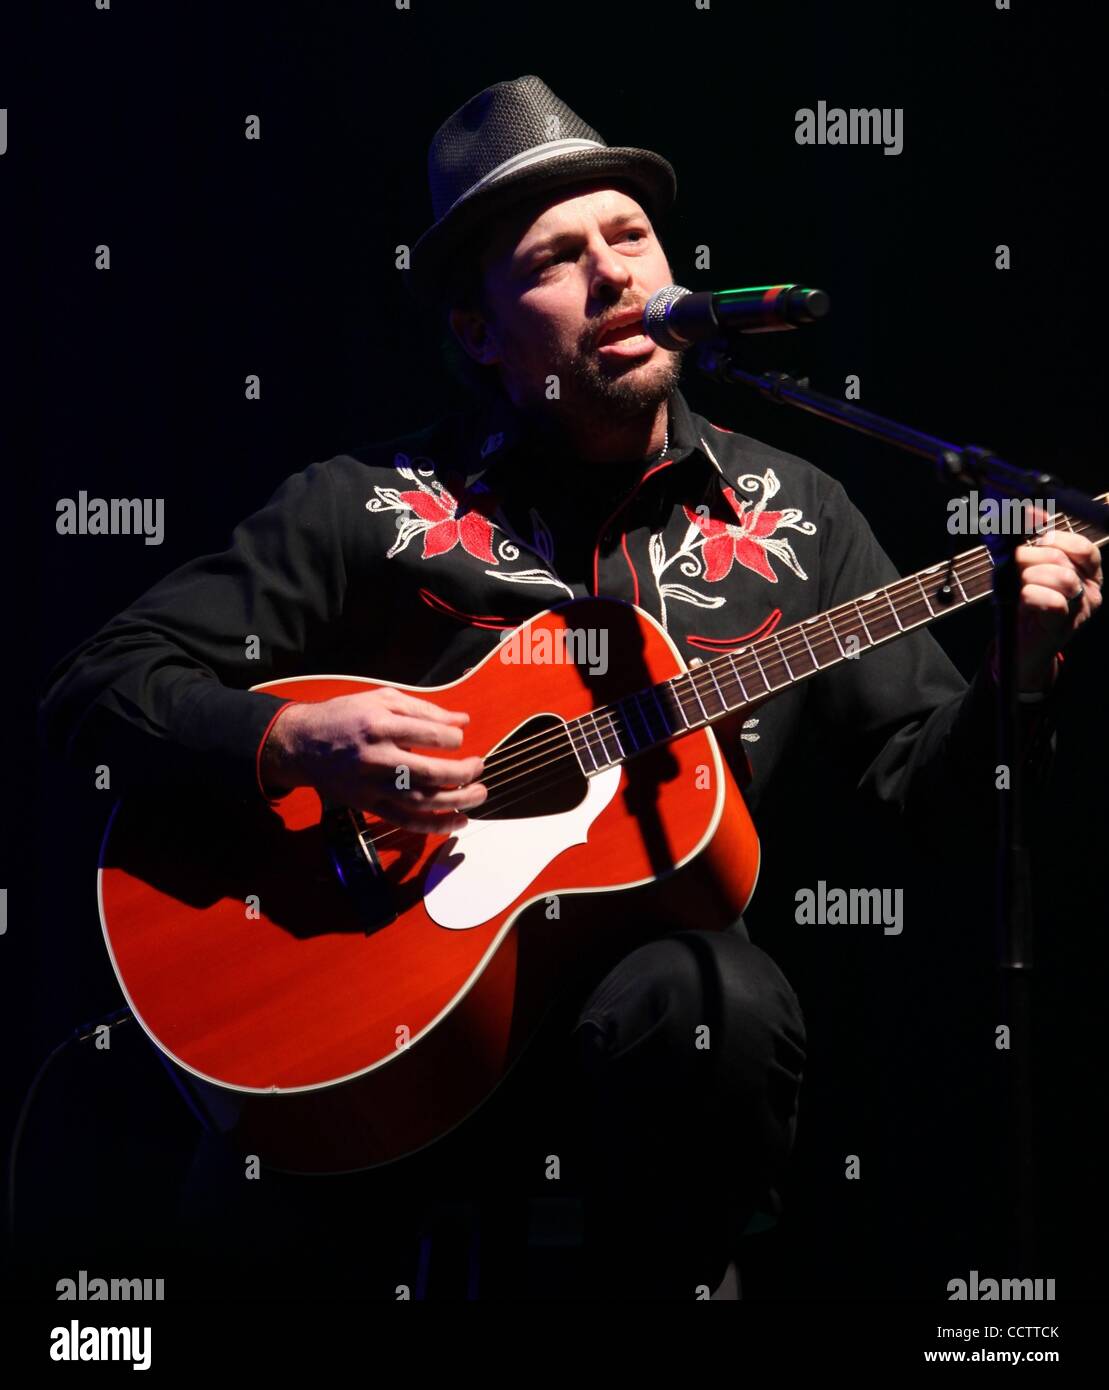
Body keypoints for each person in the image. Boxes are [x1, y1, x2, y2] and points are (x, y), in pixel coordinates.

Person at [38, 75, 1102, 1300]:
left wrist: (1016, 680)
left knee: (718, 991)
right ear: (478, 330)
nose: (610, 274)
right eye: (554, 257)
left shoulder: (795, 515)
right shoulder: (366, 505)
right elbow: (96, 687)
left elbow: (932, 798)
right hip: (366, 1006)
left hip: (637, 1034)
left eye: (629, 238)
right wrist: (293, 734)